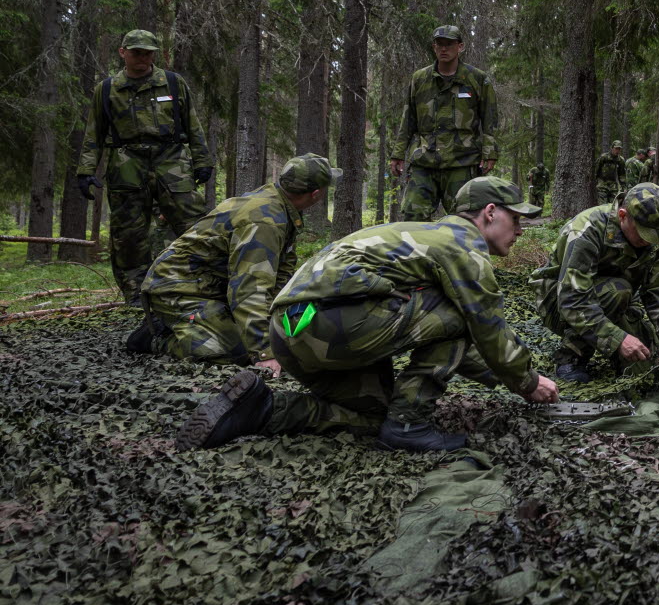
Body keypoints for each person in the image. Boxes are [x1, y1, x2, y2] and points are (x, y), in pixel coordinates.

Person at [174, 177, 559, 453]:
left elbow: (458, 344)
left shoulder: (421, 233)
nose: (520, 231)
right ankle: (410, 425)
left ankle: (263, 409)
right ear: (490, 213)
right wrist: (527, 382)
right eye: (516, 219)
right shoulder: (461, 244)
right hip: (329, 326)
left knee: (377, 416)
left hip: (291, 330)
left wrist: (500, 376)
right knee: (464, 314)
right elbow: (486, 328)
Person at [127, 153, 338, 368]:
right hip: (177, 286)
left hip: (211, 286)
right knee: (233, 352)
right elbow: (248, 289)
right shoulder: (265, 222)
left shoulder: (279, 205)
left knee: (278, 335)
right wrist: (265, 352)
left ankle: (197, 324)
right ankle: (158, 338)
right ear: (315, 194)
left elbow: (278, 276)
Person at [75, 29, 215, 305]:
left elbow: (193, 124)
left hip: (171, 160)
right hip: (127, 162)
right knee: (129, 232)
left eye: (148, 53)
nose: (142, 58)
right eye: (136, 52)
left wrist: (202, 160)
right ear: (123, 52)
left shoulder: (172, 83)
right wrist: (86, 171)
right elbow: (94, 133)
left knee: (193, 224)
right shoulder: (107, 89)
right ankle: (136, 293)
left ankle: (202, 284)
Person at [535, 183, 659, 383]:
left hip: (617, 301)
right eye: (643, 233)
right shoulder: (588, 228)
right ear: (622, 215)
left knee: (648, 365)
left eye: (655, 235)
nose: (649, 241)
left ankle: (613, 343)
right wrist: (618, 339)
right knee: (618, 291)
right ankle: (572, 355)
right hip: (558, 303)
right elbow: (572, 299)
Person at [390, 25, 498, 221]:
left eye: (449, 44)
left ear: (460, 46)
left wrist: (489, 152)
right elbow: (408, 119)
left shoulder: (477, 79)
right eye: (439, 44)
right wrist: (398, 153)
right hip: (425, 161)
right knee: (413, 217)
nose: (444, 49)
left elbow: (489, 119)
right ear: (434, 47)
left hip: (462, 161)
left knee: (465, 220)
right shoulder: (420, 79)